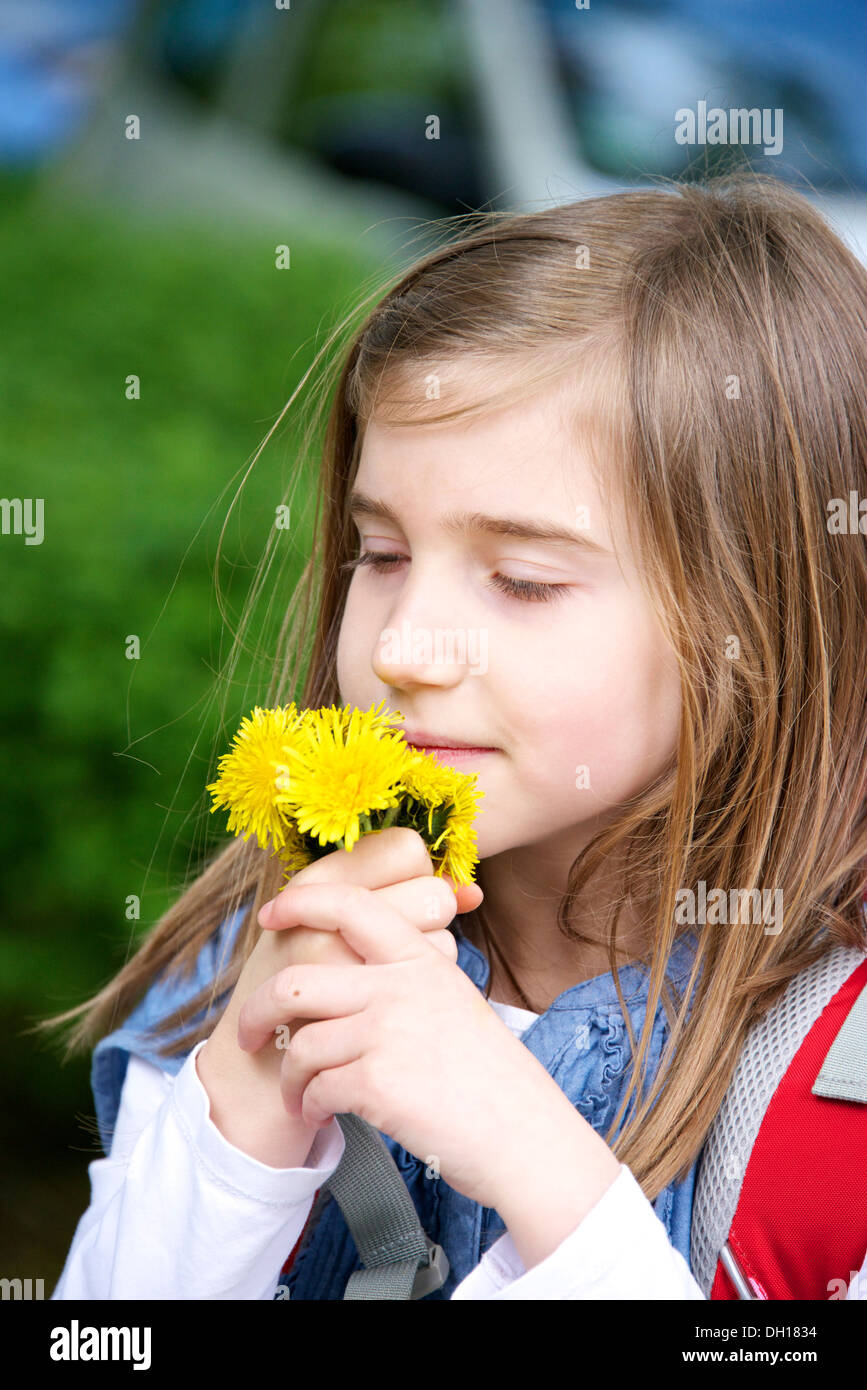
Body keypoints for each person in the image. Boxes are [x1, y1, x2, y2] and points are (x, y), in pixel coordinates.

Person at [45, 170, 867, 1300]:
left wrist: (531, 1160)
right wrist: (241, 1119)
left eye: (523, 580)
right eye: (381, 555)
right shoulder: (254, 951)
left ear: (763, 617)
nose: (405, 646)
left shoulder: (832, 1098)